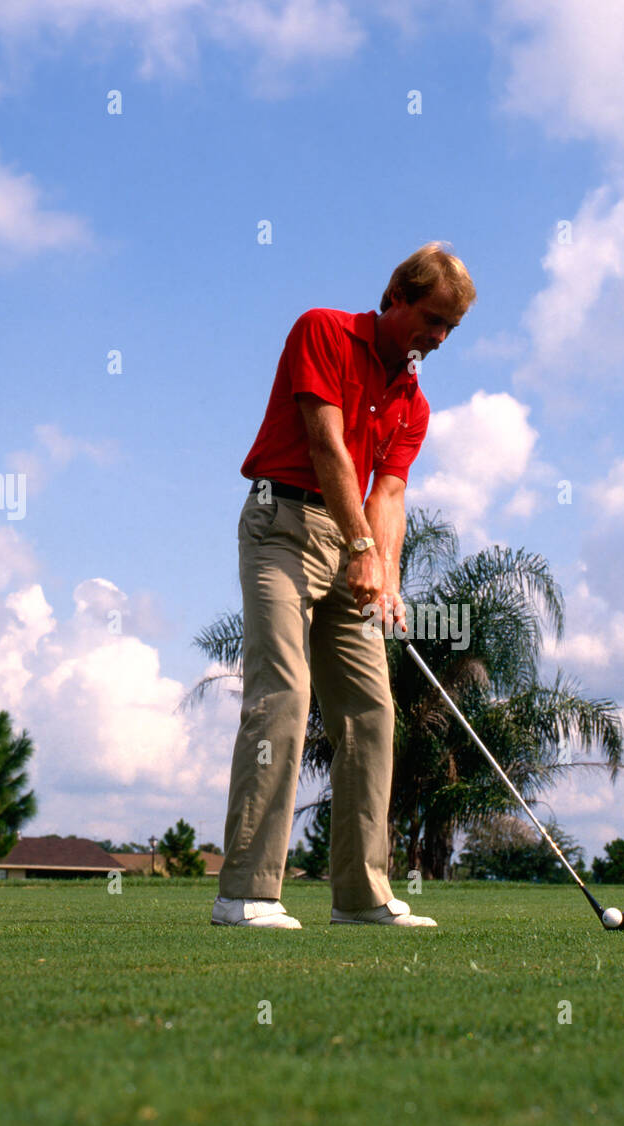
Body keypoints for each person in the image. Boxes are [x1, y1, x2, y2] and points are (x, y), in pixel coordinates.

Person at [212, 243, 476, 929]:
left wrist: (383, 573)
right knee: (283, 695)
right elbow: (326, 443)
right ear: (396, 297)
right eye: (432, 319)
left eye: (450, 329)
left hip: (350, 539)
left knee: (370, 710)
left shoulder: (414, 404)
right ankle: (246, 892)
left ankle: (360, 896)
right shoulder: (323, 329)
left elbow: (389, 492)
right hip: (282, 524)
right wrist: (361, 546)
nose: (438, 339)